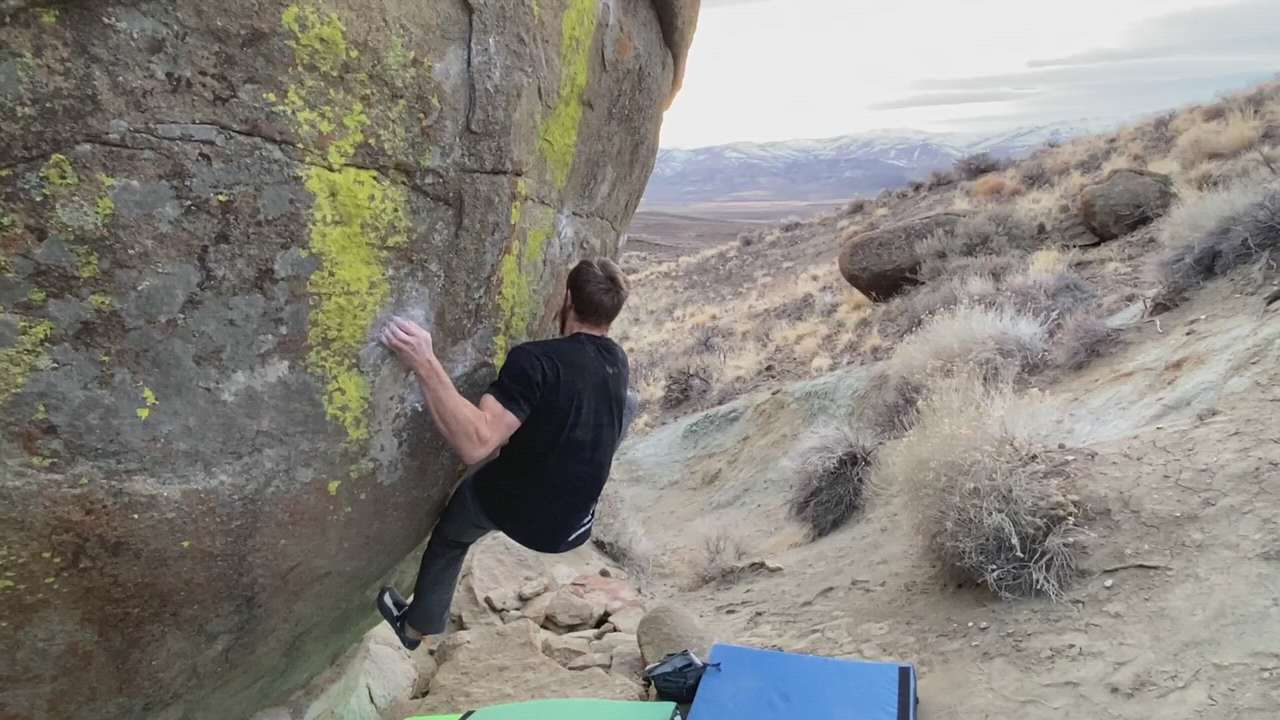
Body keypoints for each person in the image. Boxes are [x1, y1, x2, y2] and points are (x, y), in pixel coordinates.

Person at [375, 258, 634, 650]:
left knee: (452, 536)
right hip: (576, 522)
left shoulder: (536, 360)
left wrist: (424, 362)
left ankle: (416, 627)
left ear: (565, 299)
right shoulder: (617, 359)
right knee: (621, 405)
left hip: (523, 511)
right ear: (612, 314)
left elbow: (477, 443)